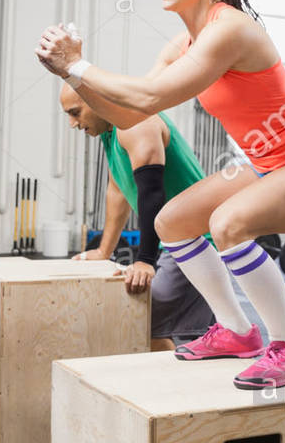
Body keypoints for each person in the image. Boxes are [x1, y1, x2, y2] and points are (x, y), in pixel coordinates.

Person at [35, 0, 285, 390]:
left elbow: (148, 96)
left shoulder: (230, 30)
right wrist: (75, 78)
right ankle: (237, 332)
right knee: (173, 222)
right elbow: (128, 115)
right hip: (267, 164)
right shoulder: (181, 45)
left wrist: (79, 65)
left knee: (228, 223)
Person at [58, 84, 215, 350]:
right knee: (143, 321)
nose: (73, 123)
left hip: (196, 241)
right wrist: (103, 250)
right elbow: (118, 191)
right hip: (174, 241)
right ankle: (168, 381)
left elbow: (152, 192)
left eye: (75, 113)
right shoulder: (111, 134)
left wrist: (144, 261)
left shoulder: (135, 122)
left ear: (96, 98)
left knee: (133, 312)